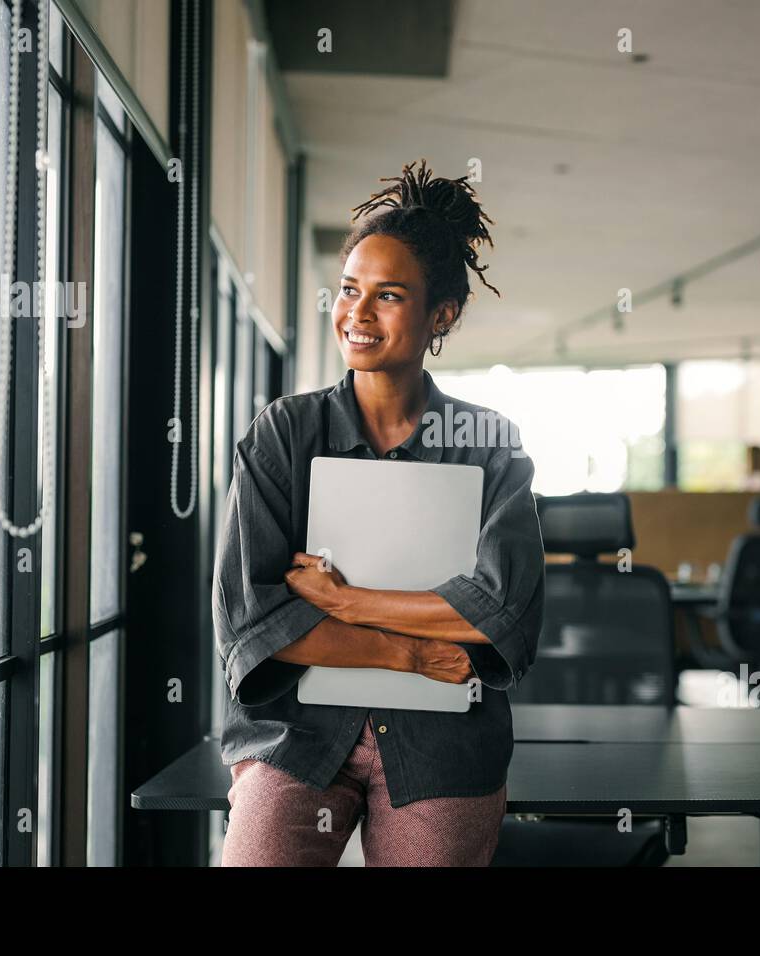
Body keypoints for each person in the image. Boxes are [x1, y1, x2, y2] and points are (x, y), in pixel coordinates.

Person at [212, 159, 545, 866]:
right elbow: (254, 622)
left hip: (444, 744)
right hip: (297, 737)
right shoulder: (283, 435)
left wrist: (343, 600)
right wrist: (410, 651)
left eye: (388, 295)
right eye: (348, 290)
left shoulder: (488, 447)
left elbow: (499, 611)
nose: (356, 314)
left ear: (442, 315)